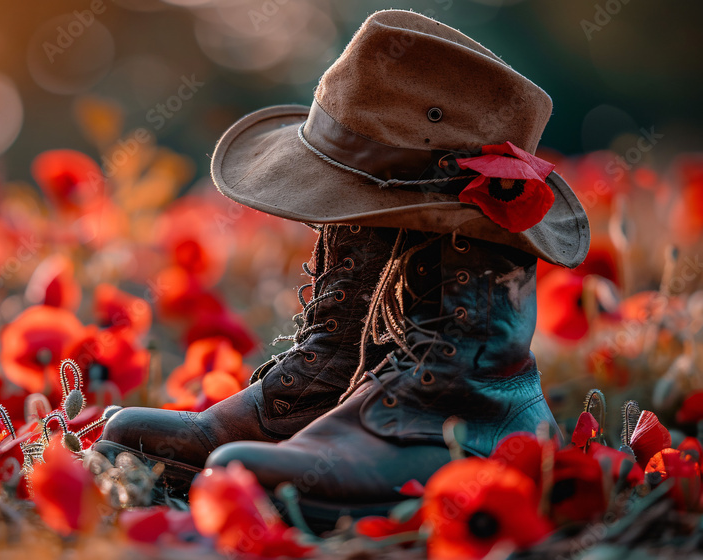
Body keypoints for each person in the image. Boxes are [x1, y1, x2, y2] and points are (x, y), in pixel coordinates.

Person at [94, 9, 589, 528]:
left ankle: (470, 411)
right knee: (269, 428)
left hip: (461, 418)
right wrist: (334, 360)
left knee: (239, 466)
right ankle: (329, 390)